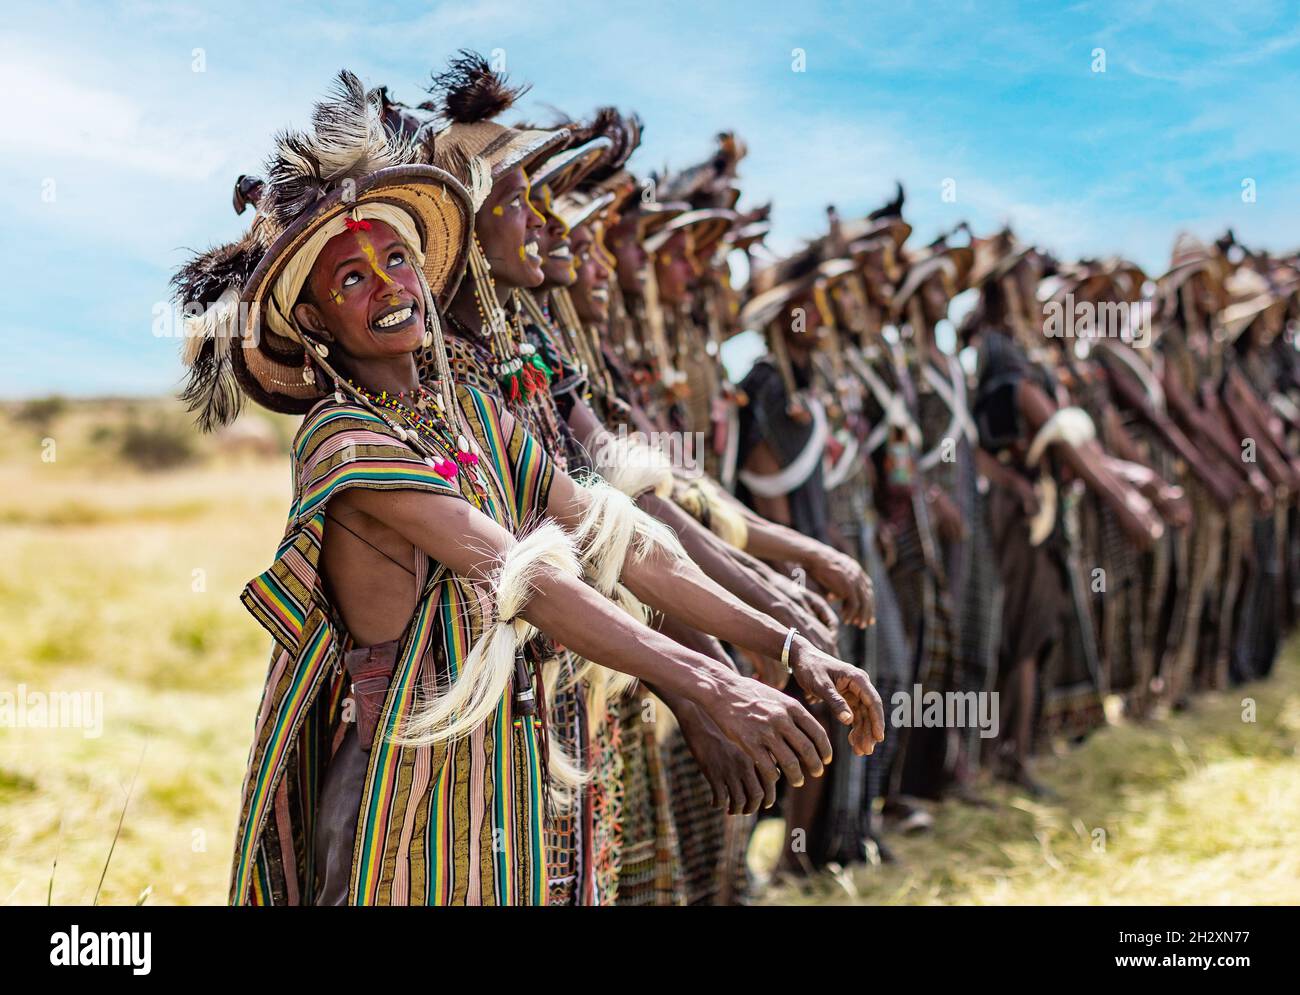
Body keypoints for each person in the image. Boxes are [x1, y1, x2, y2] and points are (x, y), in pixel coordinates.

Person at [174, 71, 884, 906]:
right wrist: (709, 681)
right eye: (351, 281)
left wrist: (784, 640)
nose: (389, 286)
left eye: (396, 258)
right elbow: (525, 576)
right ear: (319, 325)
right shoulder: (343, 439)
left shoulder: (470, 404)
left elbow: (613, 531)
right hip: (407, 814)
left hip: (509, 787)